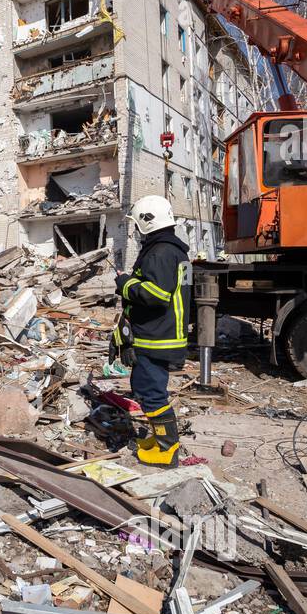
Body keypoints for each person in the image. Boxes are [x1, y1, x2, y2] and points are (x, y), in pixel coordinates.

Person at [114, 195, 192, 467]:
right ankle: (161, 441)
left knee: (150, 391)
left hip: (157, 336)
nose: (135, 230)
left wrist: (125, 284)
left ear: (147, 223)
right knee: (147, 387)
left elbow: (156, 294)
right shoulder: (173, 250)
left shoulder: (160, 253)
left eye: (137, 224)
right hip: (165, 333)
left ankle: (167, 450)